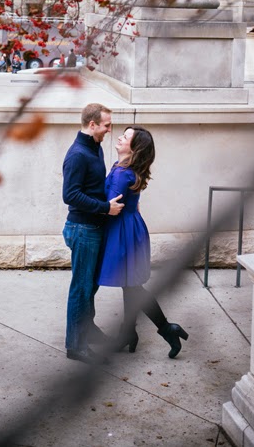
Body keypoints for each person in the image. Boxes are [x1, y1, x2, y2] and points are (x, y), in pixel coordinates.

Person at [97, 126, 190, 358]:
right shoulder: (125, 169)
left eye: (126, 136)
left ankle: (166, 329)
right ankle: (131, 332)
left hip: (122, 232)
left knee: (132, 286)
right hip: (131, 229)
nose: (119, 136)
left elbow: (110, 206)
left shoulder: (121, 173)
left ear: (135, 148)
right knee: (130, 285)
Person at [62, 103, 125, 364]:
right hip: (82, 229)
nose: (110, 130)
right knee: (82, 288)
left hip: (93, 227)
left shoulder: (94, 148)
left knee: (91, 285)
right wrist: (105, 208)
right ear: (92, 125)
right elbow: (70, 195)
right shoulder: (77, 154)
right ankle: (75, 346)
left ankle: (88, 329)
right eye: (106, 125)